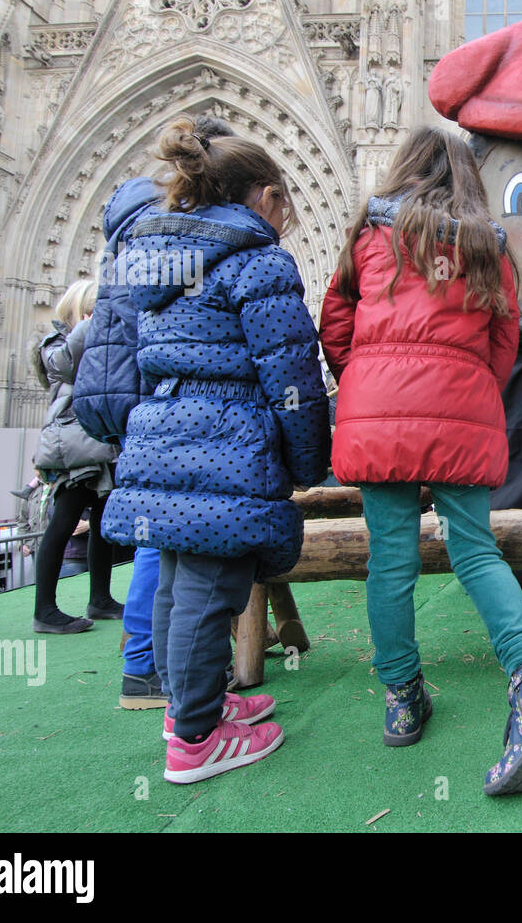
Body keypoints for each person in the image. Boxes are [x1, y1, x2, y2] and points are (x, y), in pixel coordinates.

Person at [320, 126, 522, 797]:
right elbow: (505, 341)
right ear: (468, 177)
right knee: (475, 550)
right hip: (460, 409)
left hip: (378, 415)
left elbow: (336, 326)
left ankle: (403, 698)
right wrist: (463, 391)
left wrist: (372, 381)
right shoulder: (487, 246)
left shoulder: (368, 235)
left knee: (391, 559)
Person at [100, 115, 330, 783]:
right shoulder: (258, 260)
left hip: (164, 432)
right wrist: (307, 461)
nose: (287, 214)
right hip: (226, 442)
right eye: (284, 198)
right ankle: (196, 739)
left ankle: (188, 710)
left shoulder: (160, 262)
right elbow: (291, 374)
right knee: (211, 590)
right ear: (262, 197)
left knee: (178, 578)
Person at [76, 114, 236, 710]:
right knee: (161, 536)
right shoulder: (164, 226)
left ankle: (160, 667)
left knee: (160, 530)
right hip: (158, 391)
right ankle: (151, 669)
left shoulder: (132, 224)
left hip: (126, 388)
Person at [31, 278, 123, 634]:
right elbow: (62, 369)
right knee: (64, 522)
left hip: (99, 442)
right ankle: (44, 610)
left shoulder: (94, 344)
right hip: (74, 445)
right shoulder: (56, 343)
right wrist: (87, 327)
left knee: (102, 522)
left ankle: (100, 598)